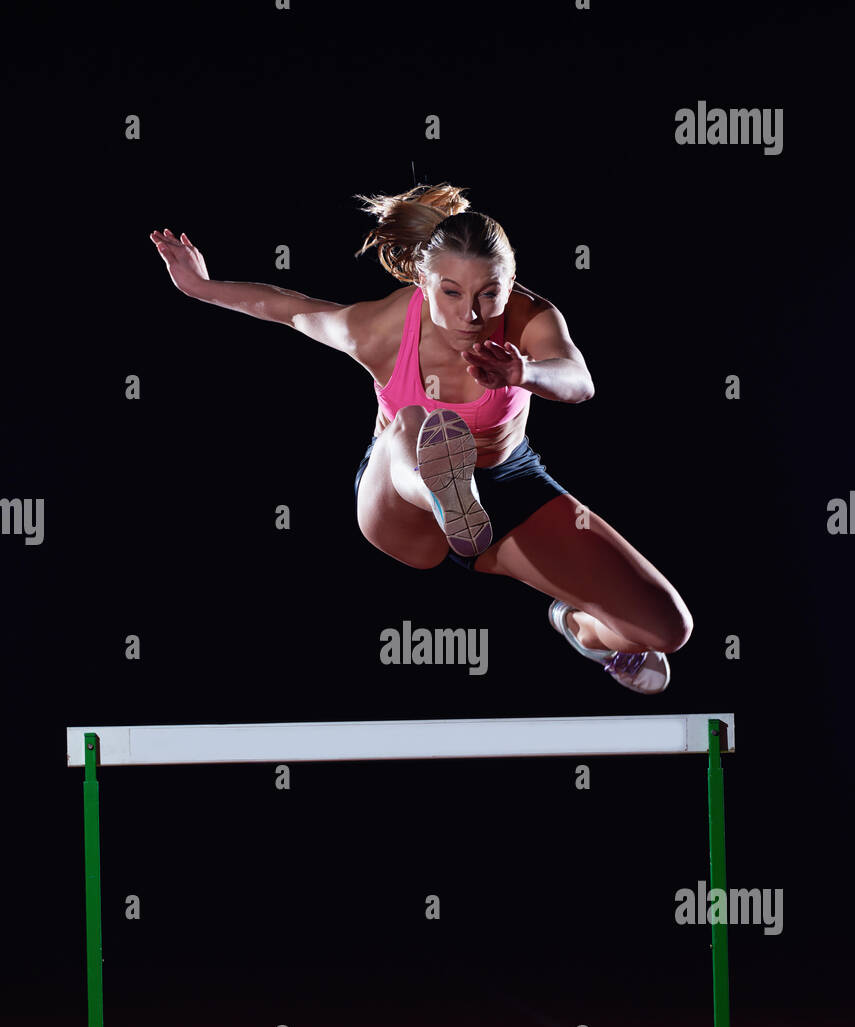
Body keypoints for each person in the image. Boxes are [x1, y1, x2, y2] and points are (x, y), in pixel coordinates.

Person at [150, 183, 693, 693]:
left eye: (489, 294)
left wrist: (523, 372)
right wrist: (201, 286)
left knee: (667, 629)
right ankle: (443, 490)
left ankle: (577, 625)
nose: (471, 314)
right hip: (399, 502)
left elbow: (578, 381)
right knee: (420, 424)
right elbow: (292, 311)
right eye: (451, 293)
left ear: (511, 283)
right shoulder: (381, 328)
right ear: (423, 282)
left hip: (507, 487)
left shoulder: (532, 317)